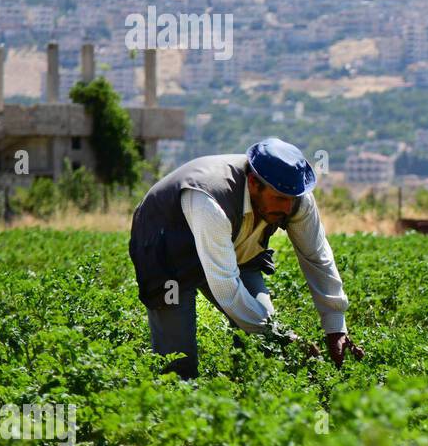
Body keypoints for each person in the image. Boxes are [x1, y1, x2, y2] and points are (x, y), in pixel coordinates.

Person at [128, 137, 363, 378]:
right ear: (253, 183)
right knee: (178, 363)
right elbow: (227, 289)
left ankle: (244, 390)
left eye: (291, 199)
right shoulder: (210, 200)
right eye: (280, 198)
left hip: (236, 246)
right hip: (168, 247)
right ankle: (178, 404)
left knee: (260, 344)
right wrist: (282, 336)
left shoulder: (294, 196)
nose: (286, 207)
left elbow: (317, 257)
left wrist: (336, 326)